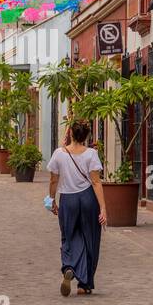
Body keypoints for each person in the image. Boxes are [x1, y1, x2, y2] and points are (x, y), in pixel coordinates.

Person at [46, 120, 108, 296]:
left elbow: (53, 180)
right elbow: (96, 182)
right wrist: (103, 208)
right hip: (88, 198)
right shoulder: (91, 154)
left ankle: (69, 265)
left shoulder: (59, 153)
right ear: (86, 136)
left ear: (71, 134)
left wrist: (52, 200)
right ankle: (84, 284)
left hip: (68, 199)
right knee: (90, 238)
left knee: (69, 235)